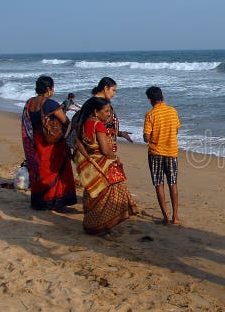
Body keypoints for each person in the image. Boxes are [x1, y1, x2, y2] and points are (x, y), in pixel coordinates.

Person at [72, 96, 139, 234]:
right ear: (96, 112)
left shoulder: (82, 123)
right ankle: (103, 226)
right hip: (102, 166)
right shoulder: (98, 125)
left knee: (93, 195)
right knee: (114, 194)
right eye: (107, 111)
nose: (109, 114)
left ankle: (92, 225)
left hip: (90, 167)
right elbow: (105, 150)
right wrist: (116, 159)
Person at [21, 75, 77, 211]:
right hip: (51, 143)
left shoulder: (29, 103)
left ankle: (39, 202)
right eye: (52, 88)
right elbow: (65, 121)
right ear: (48, 89)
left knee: (40, 170)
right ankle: (56, 202)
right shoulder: (50, 104)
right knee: (57, 170)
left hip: (36, 141)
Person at [143, 86, 182, 225]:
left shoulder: (150, 114)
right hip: (171, 152)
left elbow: (146, 138)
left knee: (159, 184)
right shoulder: (173, 111)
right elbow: (176, 130)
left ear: (150, 100)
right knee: (173, 183)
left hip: (155, 153)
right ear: (162, 97)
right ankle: (175, 216)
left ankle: (166, 217)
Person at [92, 77, 133, 149]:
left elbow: (106, 127)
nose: (114, 94)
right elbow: (95, 128)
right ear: (105, 88)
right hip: (101, 149)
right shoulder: (96, 104)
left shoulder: (102, 103)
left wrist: (119, 133)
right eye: (113, 90)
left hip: (107, 146)